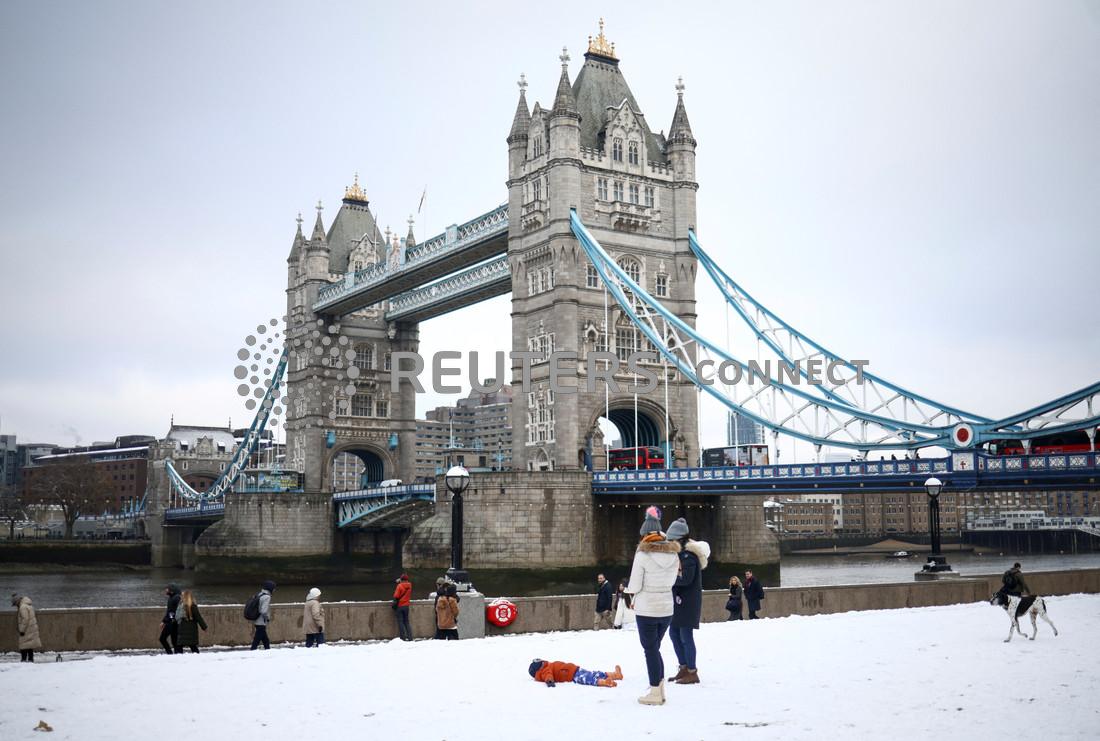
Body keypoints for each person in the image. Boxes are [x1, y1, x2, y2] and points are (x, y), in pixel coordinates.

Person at [625, 505, 681, 706]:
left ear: (644, 535)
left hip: (647, 609)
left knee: (650, 650)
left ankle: (655, 691)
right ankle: (659, 688)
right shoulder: (674, 555)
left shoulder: (642, 555)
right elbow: (674, 581)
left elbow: (635, 585)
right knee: (654, 648)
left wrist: (627, 591)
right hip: (666, 609)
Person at [667, 517, 710, 685]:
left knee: (685, 635)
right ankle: (683, 667)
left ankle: (692, 671)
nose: (669, 542)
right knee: (674, 634)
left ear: (679, 538)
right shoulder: (680, 554)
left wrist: (668, 579)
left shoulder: (688, 556)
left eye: (671, 539)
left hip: (688, 603)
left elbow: (686, 579)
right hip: (679, 602)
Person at [528, 659, 624, 688]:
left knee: (593, 673)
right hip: (572, 675)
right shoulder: (544, 671)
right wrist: (549, 681)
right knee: (589, 679)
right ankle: (605, 682)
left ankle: (615, 675)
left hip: (575, 670)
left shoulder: (547, 665)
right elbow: (548, 675)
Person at [11, 593, 42, 662]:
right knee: (29, 646)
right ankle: (30, 661)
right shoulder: (28, 605)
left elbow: (25, 619)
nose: (16, 606)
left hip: (26, 630)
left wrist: (22, 630)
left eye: (15, 604)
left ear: (17, 601)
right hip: (31, 628)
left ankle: (24, 661)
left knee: (23, 646)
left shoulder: (22, 607)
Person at [250, 580, 275, 650]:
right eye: (273, 588)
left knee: (265, 639)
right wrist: (267, 618)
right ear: (270, 588)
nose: (274, 590)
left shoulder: (259, 594)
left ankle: (268, 650)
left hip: (256, 619)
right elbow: (263, 611)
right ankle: (252, 650)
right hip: (261, 621)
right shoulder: (267, 597)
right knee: (257, 639)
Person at [158, 584, 182, 654]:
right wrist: (164, 621)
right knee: (174, 640)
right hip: (171, 622)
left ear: (172, 590)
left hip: (172, 623)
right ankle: (175, 654)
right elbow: (169, 611)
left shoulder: (176, 598)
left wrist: (170, 620)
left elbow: (173, 612)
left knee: (163, 639)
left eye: (167, 589)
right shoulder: (171, 598)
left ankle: (171, 654)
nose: (166, 590)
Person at [392, 573, 413, 641]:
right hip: (406, 606)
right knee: (406, 622)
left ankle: (403, 638)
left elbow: (396, 596)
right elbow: (405, 587)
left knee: (400, 622)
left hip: (400, 606)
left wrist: (398, 584)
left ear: (401, 579)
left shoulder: (399, 586)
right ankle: (410, 637)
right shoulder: (410, 586)